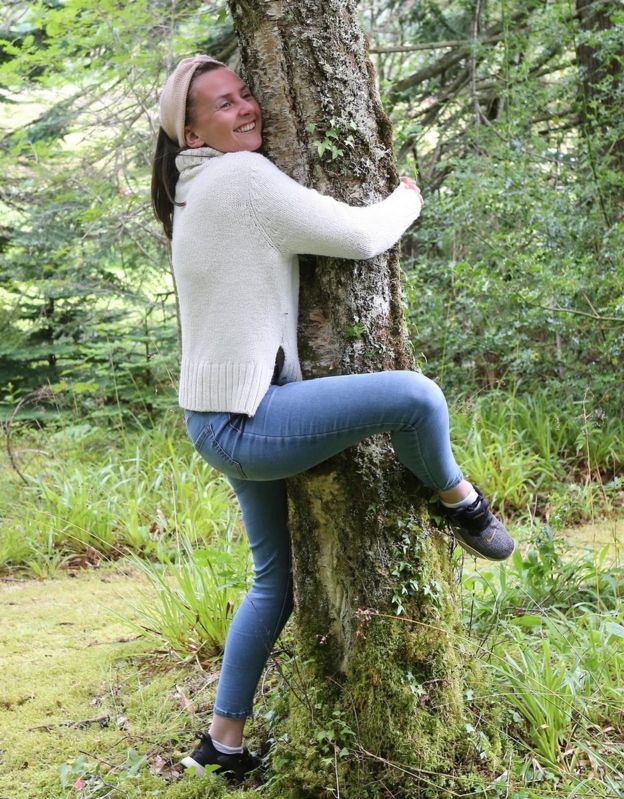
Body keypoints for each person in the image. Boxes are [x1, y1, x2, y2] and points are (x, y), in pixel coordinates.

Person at [152, 54, 514, 785]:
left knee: (273, 585)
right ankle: (460, 500)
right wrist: (406, 196)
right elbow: (358, 236)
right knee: (416, 397)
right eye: (225, 104)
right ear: (191, 130)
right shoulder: (239, 179)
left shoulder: (193, 190)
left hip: (216, 420)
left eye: (246, 91)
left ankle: (220, 740)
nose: (247, 107)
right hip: (248, 422)